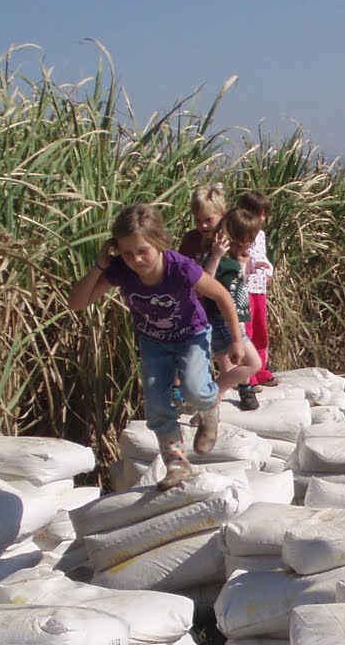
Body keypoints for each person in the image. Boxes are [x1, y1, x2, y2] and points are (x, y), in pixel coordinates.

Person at [67, 203, 257, 490]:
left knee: (195, 388)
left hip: (191, 334)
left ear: (159, 243)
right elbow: (78, 303)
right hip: (153, 341)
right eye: (127, 252)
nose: (136, 259)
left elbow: (221, 296)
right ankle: (177, 463)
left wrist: (235, 339)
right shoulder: (120, 269)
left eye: (142, 250)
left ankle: (209, 411)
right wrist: (100, 266)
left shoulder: (179, 268)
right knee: (156, 404)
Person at [207, 207, 262, 410]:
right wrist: (215, 256)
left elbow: (236, 286)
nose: (252, 243)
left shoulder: (234, 260)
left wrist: (243, 264)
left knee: (229, 372)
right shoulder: (218, 258)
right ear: (239, 238)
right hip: (222, 322)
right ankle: (211, 392)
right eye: (250, 239)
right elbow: (205, 283)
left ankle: (205, 413)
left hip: (231, 322)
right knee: (253, 364)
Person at [237, 190, 279, 388]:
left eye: (263, 213)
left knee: (261, 330)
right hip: (244, 289)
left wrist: (268, 269)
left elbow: (263, 258)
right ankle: (250, 375)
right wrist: (252, 265)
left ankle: (261, 370)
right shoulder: (237, 235)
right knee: (248, 330)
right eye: (257, 213)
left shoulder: (260, 235)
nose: (261, 218)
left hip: (259, 288)